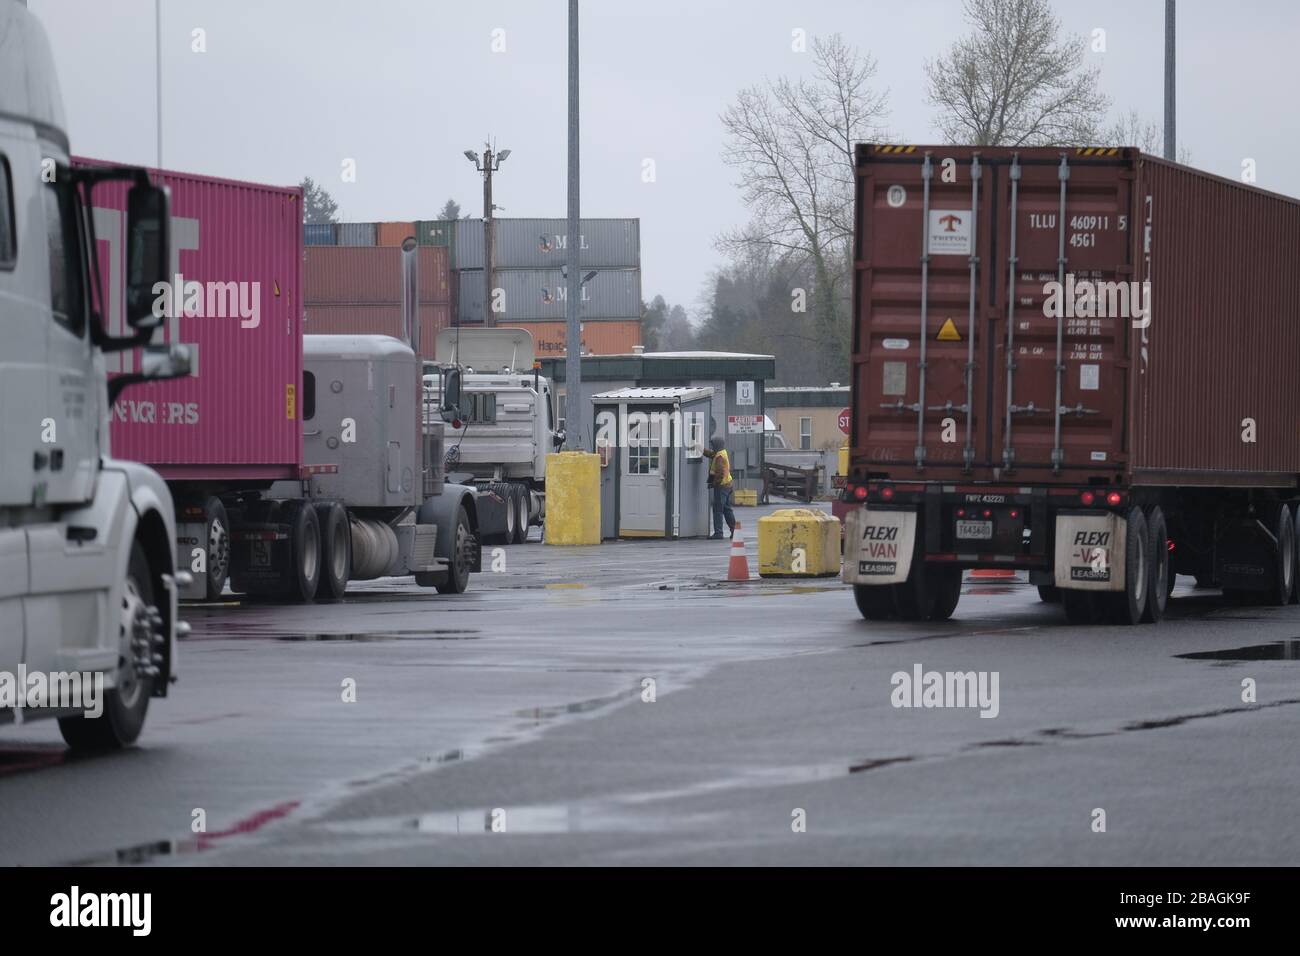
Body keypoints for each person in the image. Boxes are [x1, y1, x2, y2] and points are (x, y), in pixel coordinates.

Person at [703, 435, 736, 540]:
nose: (712, 446)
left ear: (716, 445)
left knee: (718, 509)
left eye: (713, 444)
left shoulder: (719, 457)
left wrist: (713, 483)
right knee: (727, 509)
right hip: (728, 484)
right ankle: (734, 531)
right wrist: (701, 449)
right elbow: (711, 454)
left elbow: (719, 473)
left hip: (721, 486)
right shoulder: (722, 453)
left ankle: (718, 533)